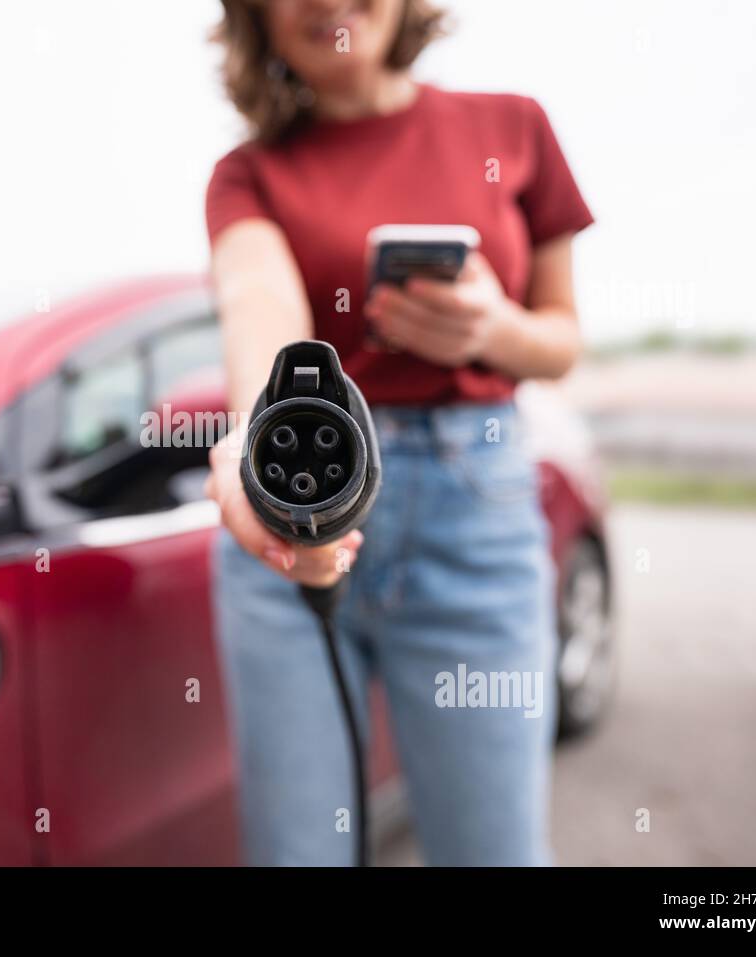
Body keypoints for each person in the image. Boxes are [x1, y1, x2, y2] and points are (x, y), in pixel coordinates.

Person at [204, 0, 594, 865]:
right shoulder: (248, 173)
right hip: (289, 520)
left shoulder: (514, 127)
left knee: (492, 850)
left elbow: (562, 340)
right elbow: (257, 302)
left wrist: (493, 328)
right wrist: (249, 444)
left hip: (476, 510)